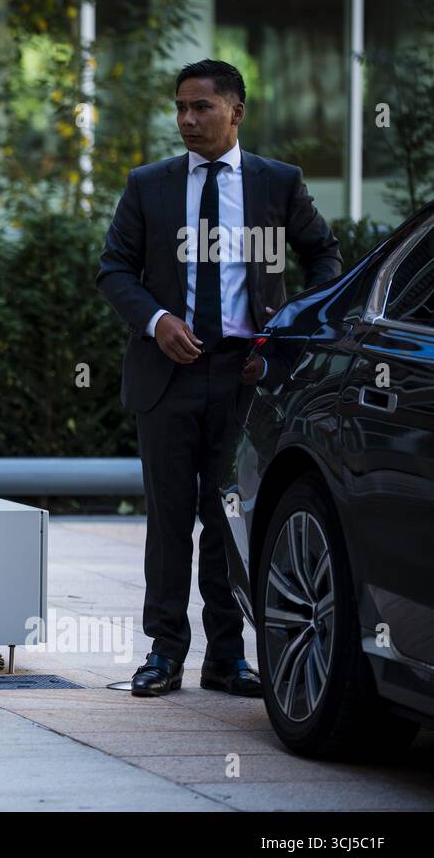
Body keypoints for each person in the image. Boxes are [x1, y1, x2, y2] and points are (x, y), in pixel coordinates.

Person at [95, 59, 341, 698]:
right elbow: (113, 270)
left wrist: (286, 332)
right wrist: (156, 320)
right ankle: (164, 653)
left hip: (246, 377)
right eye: (180, 107)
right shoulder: (149, 184)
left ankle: (227, 659)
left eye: (201, 107)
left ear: (236, 111)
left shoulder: (277, 183)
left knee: (229, 516)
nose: (187, 120)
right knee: (169, 516)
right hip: (167, 375)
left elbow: (325, 258)